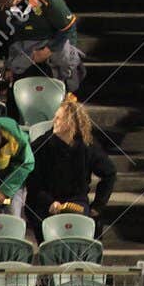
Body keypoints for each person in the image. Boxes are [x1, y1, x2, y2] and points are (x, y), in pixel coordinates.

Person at [26, 94, 117, 232]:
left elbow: (109, 173)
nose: (54, 121)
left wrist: (98, 206)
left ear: (70, 123)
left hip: (75, 200)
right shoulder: (42, 145)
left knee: (85, 225)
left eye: (59, 118)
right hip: (44, 200)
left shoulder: (87, 146)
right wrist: (50, 202)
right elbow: (32, 182)